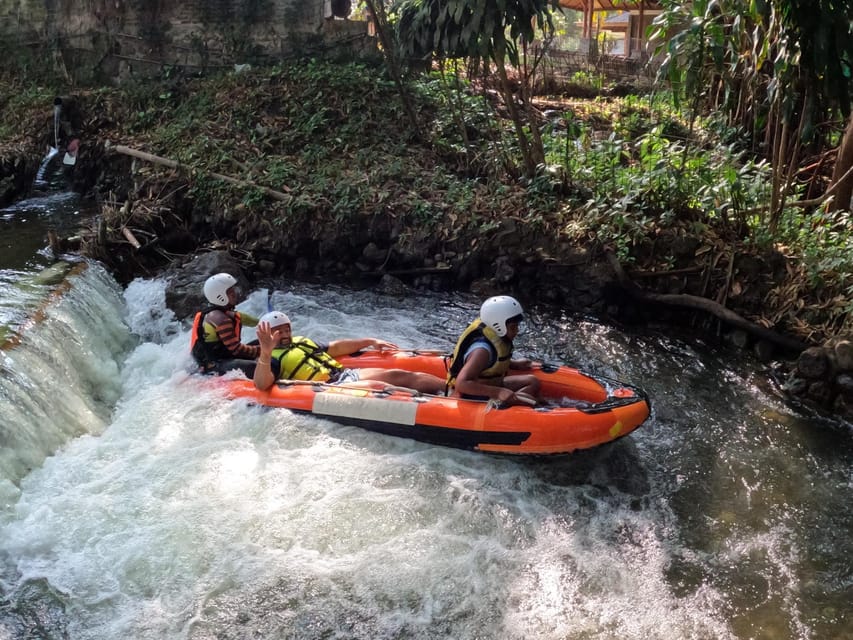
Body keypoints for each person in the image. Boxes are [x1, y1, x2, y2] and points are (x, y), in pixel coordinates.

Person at [252, 311, 445, 394]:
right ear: (268, 335)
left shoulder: (302, 341)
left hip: (345, 374)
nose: (285, 335)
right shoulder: (272, 359)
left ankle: (450, 389)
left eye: (287, 330)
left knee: (398, 375)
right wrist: (266, 353)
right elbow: (261, 385)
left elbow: (337, 347)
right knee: (377, 385)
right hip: (328, 387)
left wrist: (370, 341)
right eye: (279, 332)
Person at [446, 295, 541, 406]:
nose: (517, 331)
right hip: (472, 394)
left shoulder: (494, 336)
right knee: (532, 402)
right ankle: (509, 405)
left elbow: (491, 363)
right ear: (499, 326)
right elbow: (461, 384)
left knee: (533, 382)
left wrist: (513, 364)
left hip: (492, 385)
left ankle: (509, 404)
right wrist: (498, 392)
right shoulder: (481, 351)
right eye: (513, 327)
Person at [190, 273, 260, 377]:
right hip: (215, 365)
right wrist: (265, 350)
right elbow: (236, 350)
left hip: (221, 358)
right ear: (220, 296)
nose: (234, 294)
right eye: (230, 292)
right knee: (254, 367)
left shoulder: (219, 313)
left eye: (233, 290)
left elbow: (255, 321)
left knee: (262, 340)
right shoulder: (220, 319)